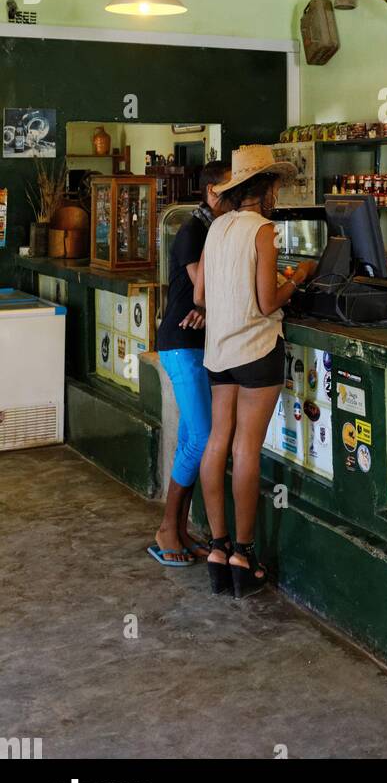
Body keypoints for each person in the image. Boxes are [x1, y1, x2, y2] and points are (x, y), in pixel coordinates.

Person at [194, 145, 317, 598]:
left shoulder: (218, 227)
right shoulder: (262, 230)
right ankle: (245, 555)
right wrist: (299, 276)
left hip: (219, 351)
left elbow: (201, 295)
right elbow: (268, 301)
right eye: (275, 185)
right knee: (246, 446)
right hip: (256, 348)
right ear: (265, 189)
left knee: (217, 440)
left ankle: (218, 547)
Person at [148, 161, 229, 567]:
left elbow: (211, 294)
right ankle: (166, 526)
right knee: (202, 436)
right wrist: (207, 305)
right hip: (182, 343)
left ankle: (179, 529)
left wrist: (211, 308)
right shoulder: (194, 230)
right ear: (211, 192)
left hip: (199, 342)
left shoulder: (216, 230)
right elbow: (204, 291)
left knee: (191, 439)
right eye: (229, 189)